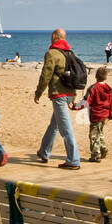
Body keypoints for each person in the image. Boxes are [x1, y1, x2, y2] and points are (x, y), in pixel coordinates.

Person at [34, 28, 82, 170]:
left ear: (55, 36)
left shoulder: (52, 53)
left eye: (51, 35)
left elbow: (45, 75)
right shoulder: (70, 53)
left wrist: (38, 93)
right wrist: (74, 96)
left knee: (65, 129)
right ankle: (44, 152)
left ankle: (73, 160)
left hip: (59, 95)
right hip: (69, 94)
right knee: (54, 125)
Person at [83, 66, 112, 163]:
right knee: (100, 132)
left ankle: (96, 155)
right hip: (104, 115)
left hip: (96, 115)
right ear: (106, 77)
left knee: (93, 135)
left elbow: (86, 101)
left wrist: (74, 107)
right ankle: (102, 147)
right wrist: (110, 116)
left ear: (96, 76)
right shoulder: (108, 88)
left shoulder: (93, 88)